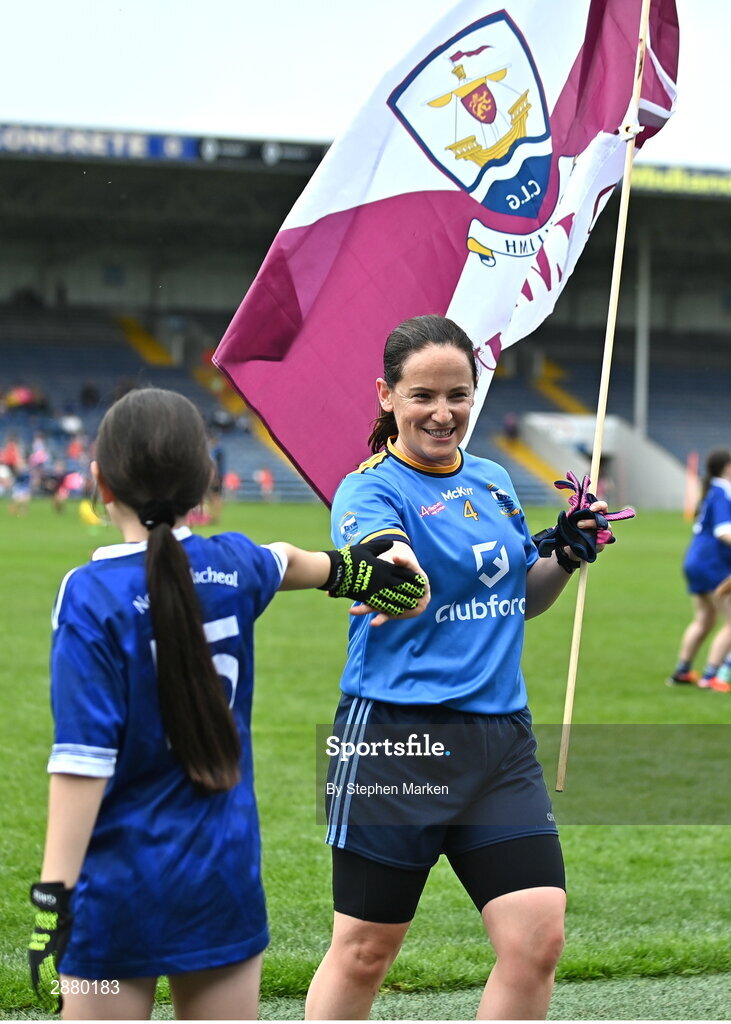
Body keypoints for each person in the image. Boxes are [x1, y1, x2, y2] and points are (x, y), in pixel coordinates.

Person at [28, 387, 427, 1021]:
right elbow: (295, 562)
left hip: (117, 889)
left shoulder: (90, 594)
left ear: (100, 483)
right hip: (222, 877)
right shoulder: (234, 564)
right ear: (207, 481)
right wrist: (361, 572)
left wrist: (52, 898)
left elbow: (83, 761)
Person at [305, 315, 623, 1021]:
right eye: (422, 395)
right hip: (397, 740)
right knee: (364, 951)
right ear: (386, 396)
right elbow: (387, 558)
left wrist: (563, 556)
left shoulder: (493, 479)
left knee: (536, 940)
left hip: (499, 746)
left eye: (458, 394)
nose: (442, 412)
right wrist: (395, 568)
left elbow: (517, 602)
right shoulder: (367, 491)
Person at [667, 448, 731, 692]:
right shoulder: (723, 492)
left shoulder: (713, 491)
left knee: (705, 619)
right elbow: (724, 532)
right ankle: (712, 675)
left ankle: (683, 671)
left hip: (697, 560)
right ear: (727, 467)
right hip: (713, 563)